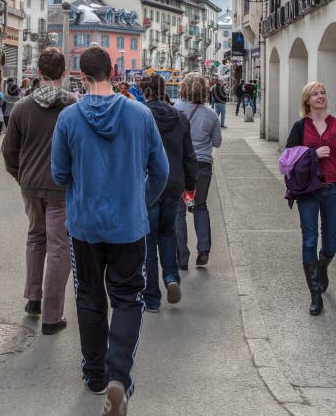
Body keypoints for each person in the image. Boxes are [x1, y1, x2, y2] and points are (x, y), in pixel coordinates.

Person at [51, 46, 168, 415]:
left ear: (81, 76)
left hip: (84, 225)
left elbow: (59, 174)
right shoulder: (139, 115)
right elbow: (161, 170)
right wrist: (140, 199)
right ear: (114, 71)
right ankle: (119, 377)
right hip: (128, 226)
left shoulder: (69, 118)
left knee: (88, 297)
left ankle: (95, 374)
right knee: (128, 298)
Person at [2, 48, 76, 334]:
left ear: (37, 73)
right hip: (61, 187)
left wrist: (22, 177)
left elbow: (9, 152)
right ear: (64, 73)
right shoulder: (72, 105)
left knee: (35, 238)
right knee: (59, 246)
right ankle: (51, 315)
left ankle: (33, 299)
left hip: (31, 185)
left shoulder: (22, 107)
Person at [285, 82, 336, 315]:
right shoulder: (300, 127)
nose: (320, 96)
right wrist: (312, 154)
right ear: (307, 100)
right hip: (308, 190)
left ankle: (322, 265)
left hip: (334, 189)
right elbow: (288, 159)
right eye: (315, 94)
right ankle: (315, 295)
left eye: (323, 93)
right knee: (309, 239)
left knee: (331, 242)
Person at [142, 74, 197, 312]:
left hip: (149, 185)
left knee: (149, 238)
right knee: (167, 233)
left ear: (145, 92)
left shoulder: (139, 115)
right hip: (174, 184)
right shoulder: (180, 117)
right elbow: (189, 156)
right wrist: (190, 186)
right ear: (165, 91)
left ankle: (152, 297)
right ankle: (172, 278)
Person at [174, 72, 222, 269]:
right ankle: (203, 249)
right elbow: (217, 142)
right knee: (200, 206)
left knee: (179, 211)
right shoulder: (210, 114)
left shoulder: (175, 110)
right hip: (202, 166)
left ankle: (181, 257)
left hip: (179, 166)